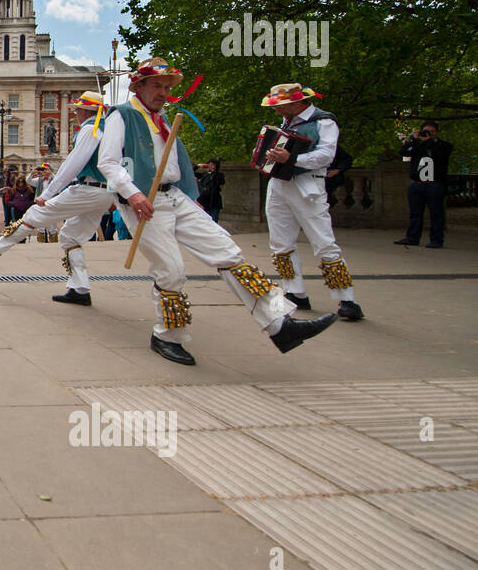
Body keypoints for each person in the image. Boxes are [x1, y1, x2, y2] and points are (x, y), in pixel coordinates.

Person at [98, 59, 337, 366]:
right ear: (138, 86)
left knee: (228, 253)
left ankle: (280, 324)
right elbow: (108, 163)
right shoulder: (123, 115)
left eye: (168, 86)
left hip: (176, 197)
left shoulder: (164, 117)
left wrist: (189, 194)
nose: (164, 92)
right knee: (171, 271)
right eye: (157, 85)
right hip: (144, 201)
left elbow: (172, 163)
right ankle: (166, 336)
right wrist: (132, 194)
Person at [0, 92, 116, 306]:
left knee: (36, 213)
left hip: (88, 189)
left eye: (77, 109)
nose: (75, 113)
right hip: (105, 192)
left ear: (86, 110)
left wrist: (48, 194)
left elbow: (73, 164)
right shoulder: (109, 130)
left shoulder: (90, 129)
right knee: (71, 237)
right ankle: (80, 288)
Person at [260, 83, 364, 320]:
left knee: (323, 241)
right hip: (279, 185)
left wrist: (292, 158)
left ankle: (346, 299)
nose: (276, 111)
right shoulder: (287, 122)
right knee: (280, 242)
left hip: (308, 186)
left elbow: (327, 155)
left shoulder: (323, 121)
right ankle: (294, 292)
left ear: (296, 103)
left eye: (280, 106)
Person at [396, 120, 452, 249]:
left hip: (434, 184)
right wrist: (414, 140)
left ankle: (436, 240)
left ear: (436, 133)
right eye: (426, 131)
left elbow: (441, 156)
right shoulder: (417, 146)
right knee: (415, 213)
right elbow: (403, 152)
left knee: (436, 214)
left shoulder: (443, 146)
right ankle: (412, 237)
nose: (429, 134)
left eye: (432, 132)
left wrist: (429, 141)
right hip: (417, 184)